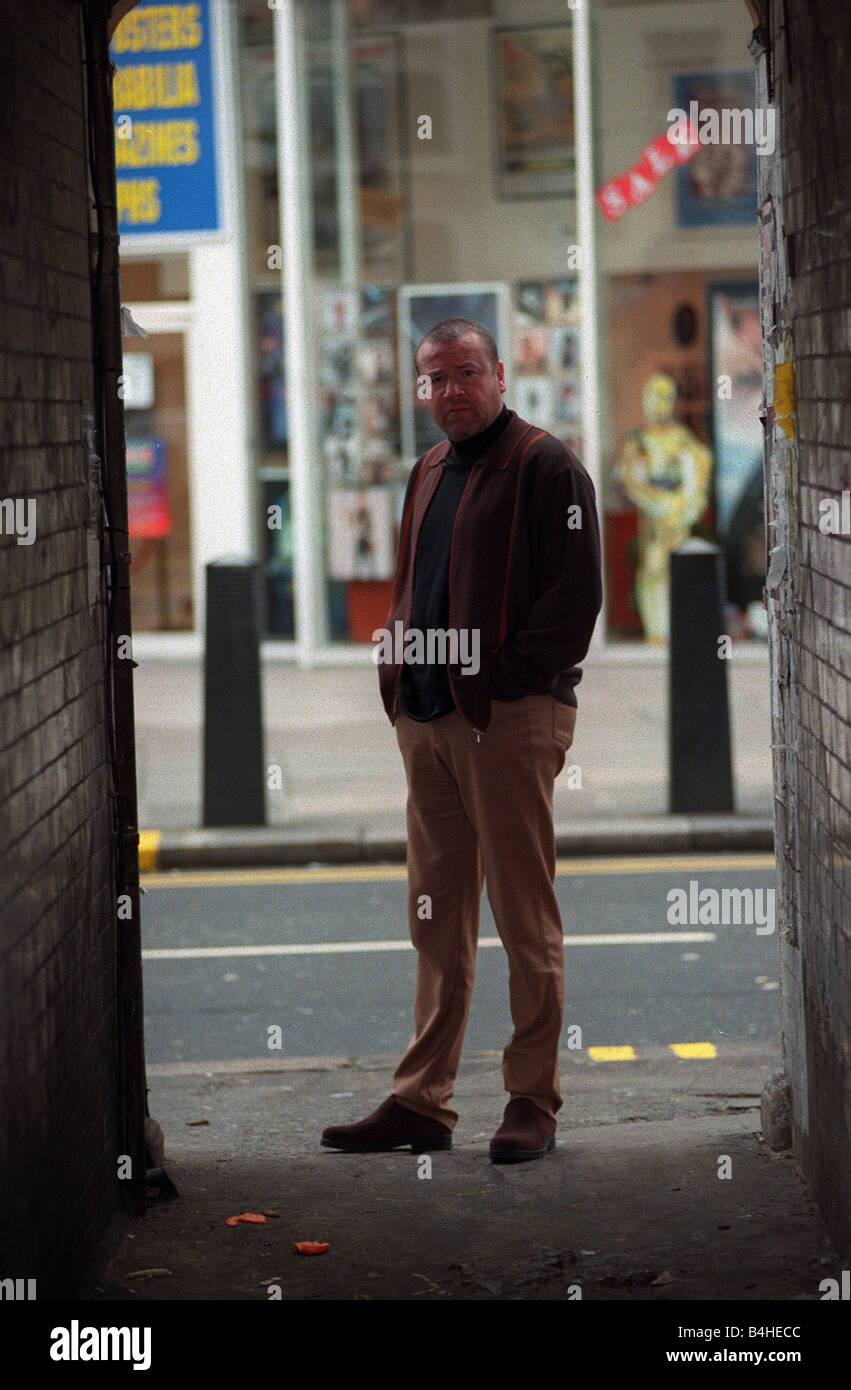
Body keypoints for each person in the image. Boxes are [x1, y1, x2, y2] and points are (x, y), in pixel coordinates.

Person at [321, 318, 603, 1162]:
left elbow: (576, 600)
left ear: (500, 376)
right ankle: (420, 1101)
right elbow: (415, 585)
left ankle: (531, 1101)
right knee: (435, 917)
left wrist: (506, 678)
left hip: (506, 719)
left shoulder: (545, 464)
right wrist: (401, 684)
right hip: (427, 715)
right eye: (435, 378)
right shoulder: (430, 469)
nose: (449, 391)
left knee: (524, 916)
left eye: (465, 374)